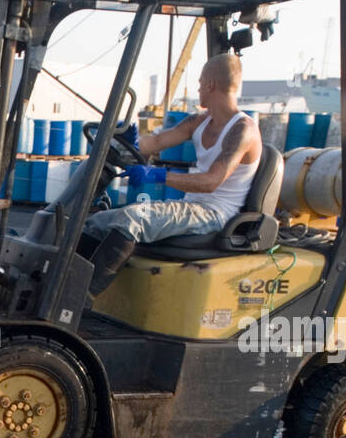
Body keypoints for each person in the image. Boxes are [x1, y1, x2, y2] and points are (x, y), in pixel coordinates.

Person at [83, 52, 262, 301]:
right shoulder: (200, 121)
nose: (198, 88)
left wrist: (157, 175)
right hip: (192, 206)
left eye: (200, 83)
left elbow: (211, 181)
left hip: (215, 214)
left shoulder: (243, 130)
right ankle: (62, 286)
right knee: (96, 222)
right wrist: (126, 140)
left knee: (132, 220)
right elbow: (155, 141)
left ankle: (79, 301)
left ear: (210, 85)